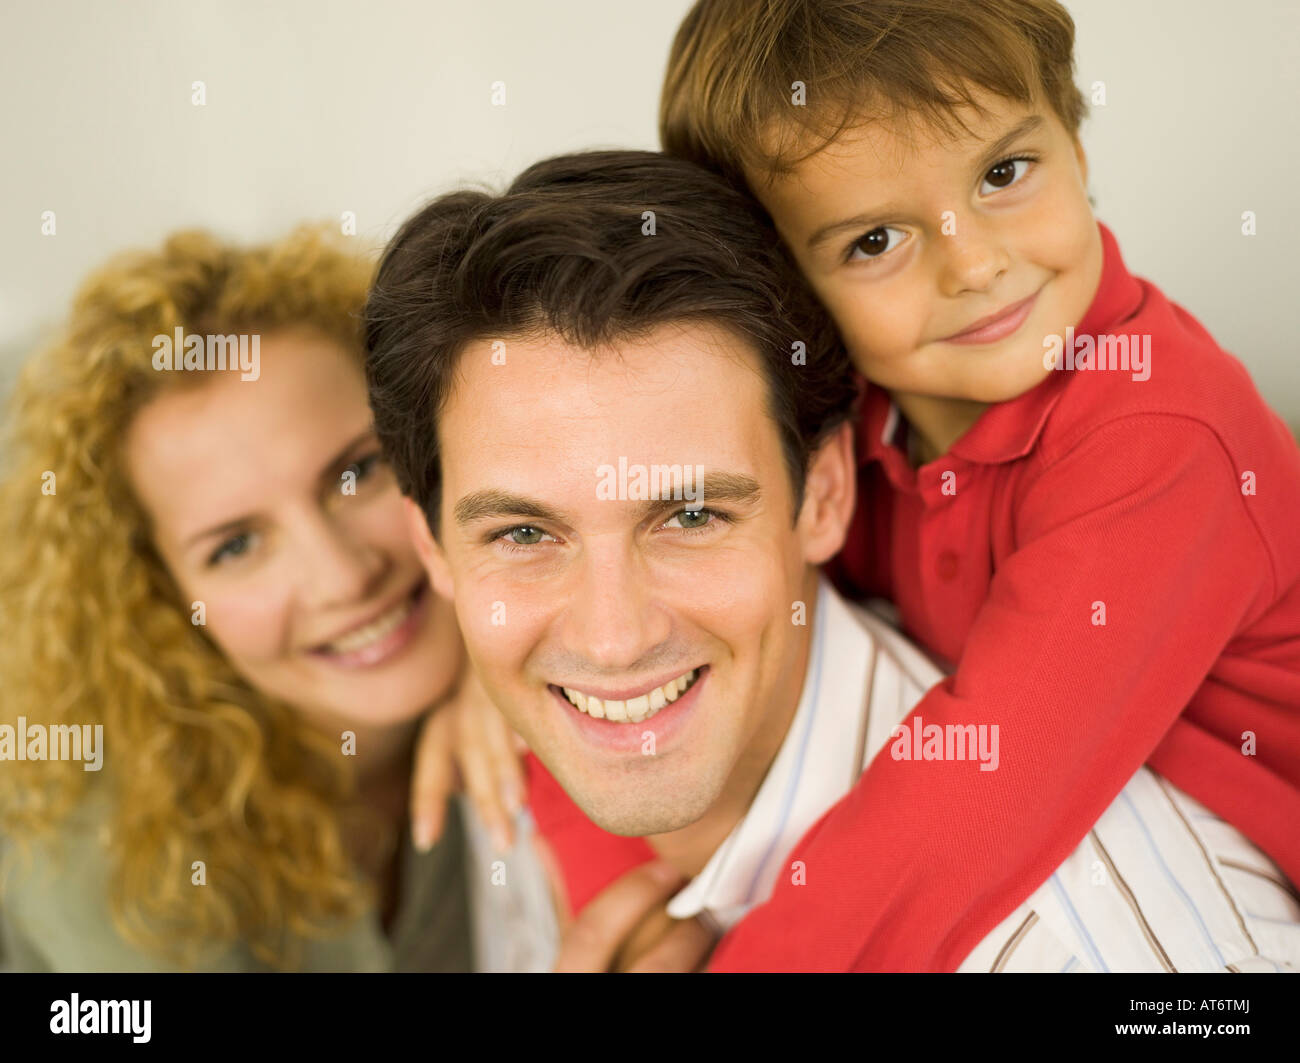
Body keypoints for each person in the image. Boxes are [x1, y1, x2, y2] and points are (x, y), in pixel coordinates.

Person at [367, 148, 1300, 972]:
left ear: (825, 497)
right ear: (434, 550)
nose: (611, 638)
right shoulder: (493, 791)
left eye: (690, 515)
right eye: (523, 536)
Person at [644, 0, 1300, 970]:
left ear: (1075, 146)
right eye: (875, 240)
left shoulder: (1160, 432)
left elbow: (977, 792)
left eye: (1002, 173)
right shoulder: (854, 420)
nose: (974, 261)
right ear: (784, 285)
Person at [0, 225, 478, 971]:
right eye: (235, 546)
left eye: (358, 473)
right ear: (158, 597)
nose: (342, 576)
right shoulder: (108, 855)